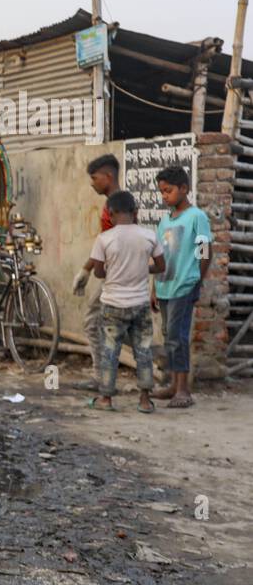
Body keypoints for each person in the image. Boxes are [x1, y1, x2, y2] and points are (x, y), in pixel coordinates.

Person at [88, 190, 164, 412]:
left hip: (112, 305)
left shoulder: (104, 239)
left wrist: (114, 270)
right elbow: (161, 266)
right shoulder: (149, 236)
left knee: (110, 352)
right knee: (143, 351)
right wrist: (142, 268)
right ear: (136, 212)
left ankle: (106, 399)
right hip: (140, 304)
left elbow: (99, 273)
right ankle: (144, 401)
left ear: (110, 214)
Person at [152, 165, 212, 408]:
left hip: (184, 285)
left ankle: (184, 390)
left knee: (178, 336)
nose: (164, 196)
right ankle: (173, 386)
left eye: (168, 191)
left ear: (184, 189)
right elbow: (159, 257)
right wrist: (154, 288)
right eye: (162, 192)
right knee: (169, 336)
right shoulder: (164, 221)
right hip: (165, 286)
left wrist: (197, 280)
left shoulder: (197, 217)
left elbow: (205, 251)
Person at [74, 154, 122, 378]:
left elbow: (114, 242)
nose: (92, 183)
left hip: (116, 274)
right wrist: (87, 269)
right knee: (107, 325)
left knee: (93, 324)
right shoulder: (115, 203)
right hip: (114, 273)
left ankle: (101, 378)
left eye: (95, 178)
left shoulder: (117, 206)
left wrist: (89, 269)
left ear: (108, 176)